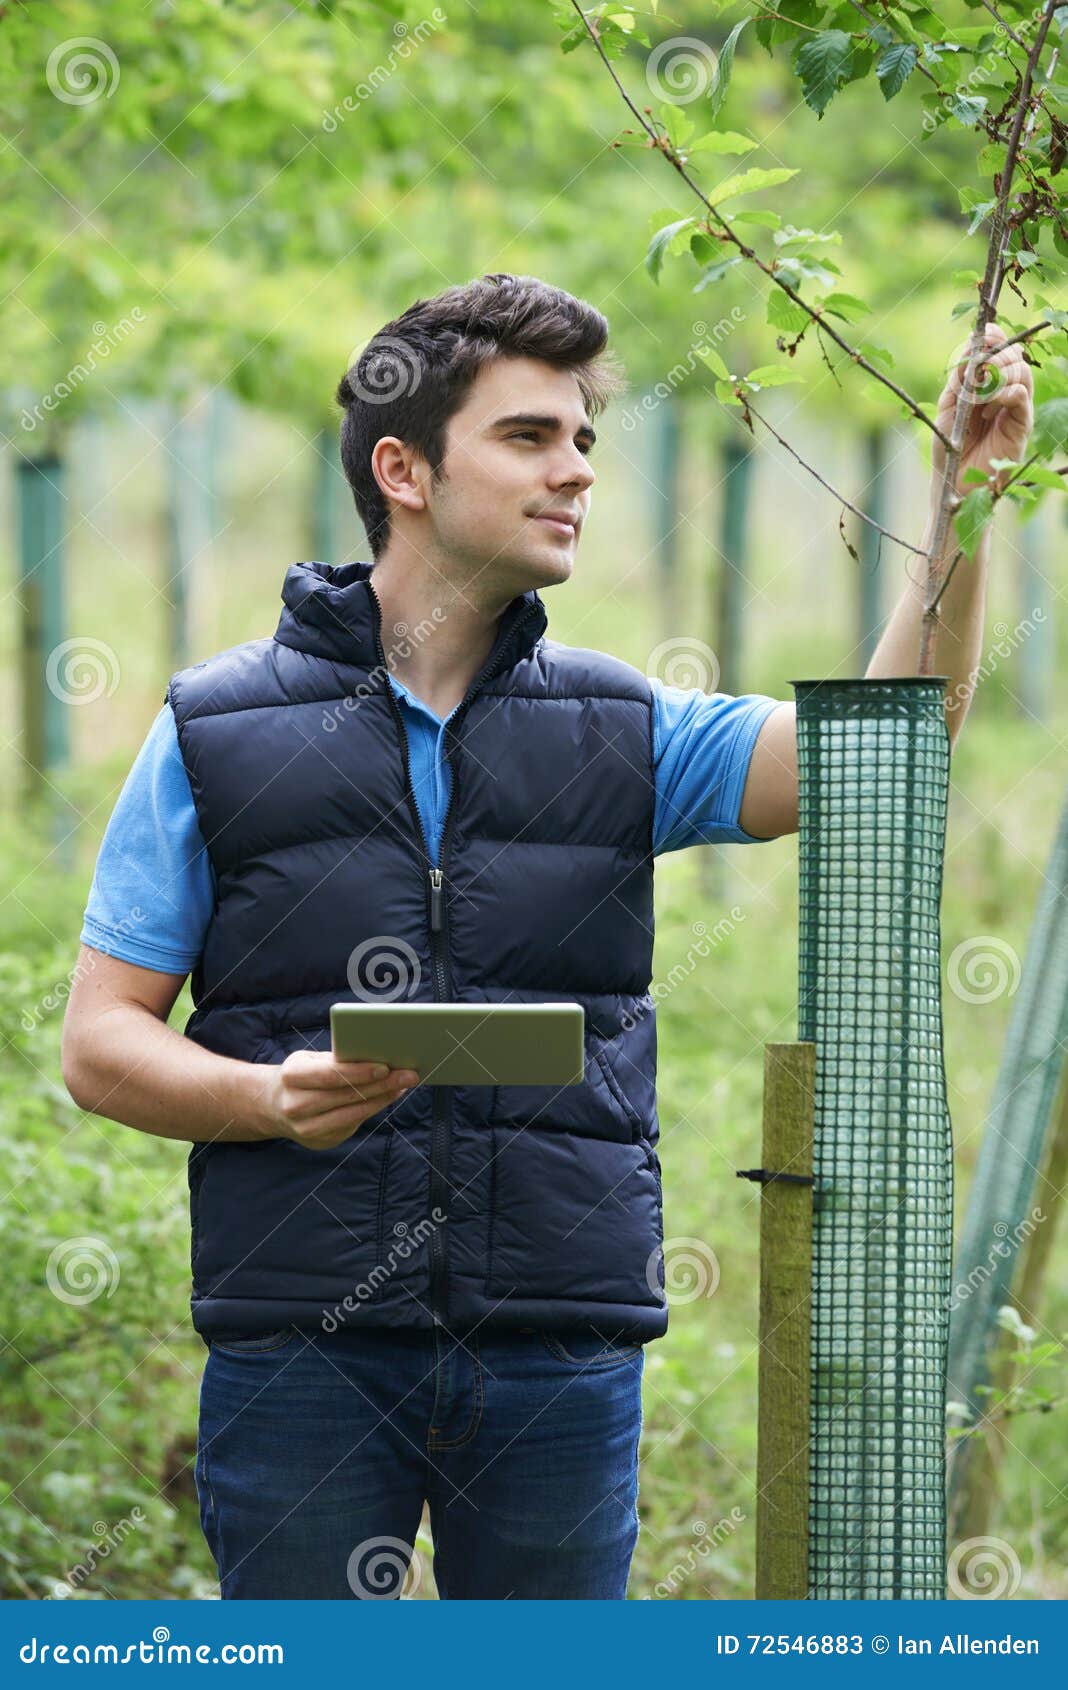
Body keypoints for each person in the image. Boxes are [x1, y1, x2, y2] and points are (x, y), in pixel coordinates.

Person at [61, 277, 1031, 1599]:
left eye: (583, 438)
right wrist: (271, 1097)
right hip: (303, 1347)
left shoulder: (620, 724)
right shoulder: (212, 730)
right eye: (529, 436)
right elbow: (100, 1044)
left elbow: (874, 751)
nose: (575, 468)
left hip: (559, 1354)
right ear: (402, 467)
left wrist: (961, 508)